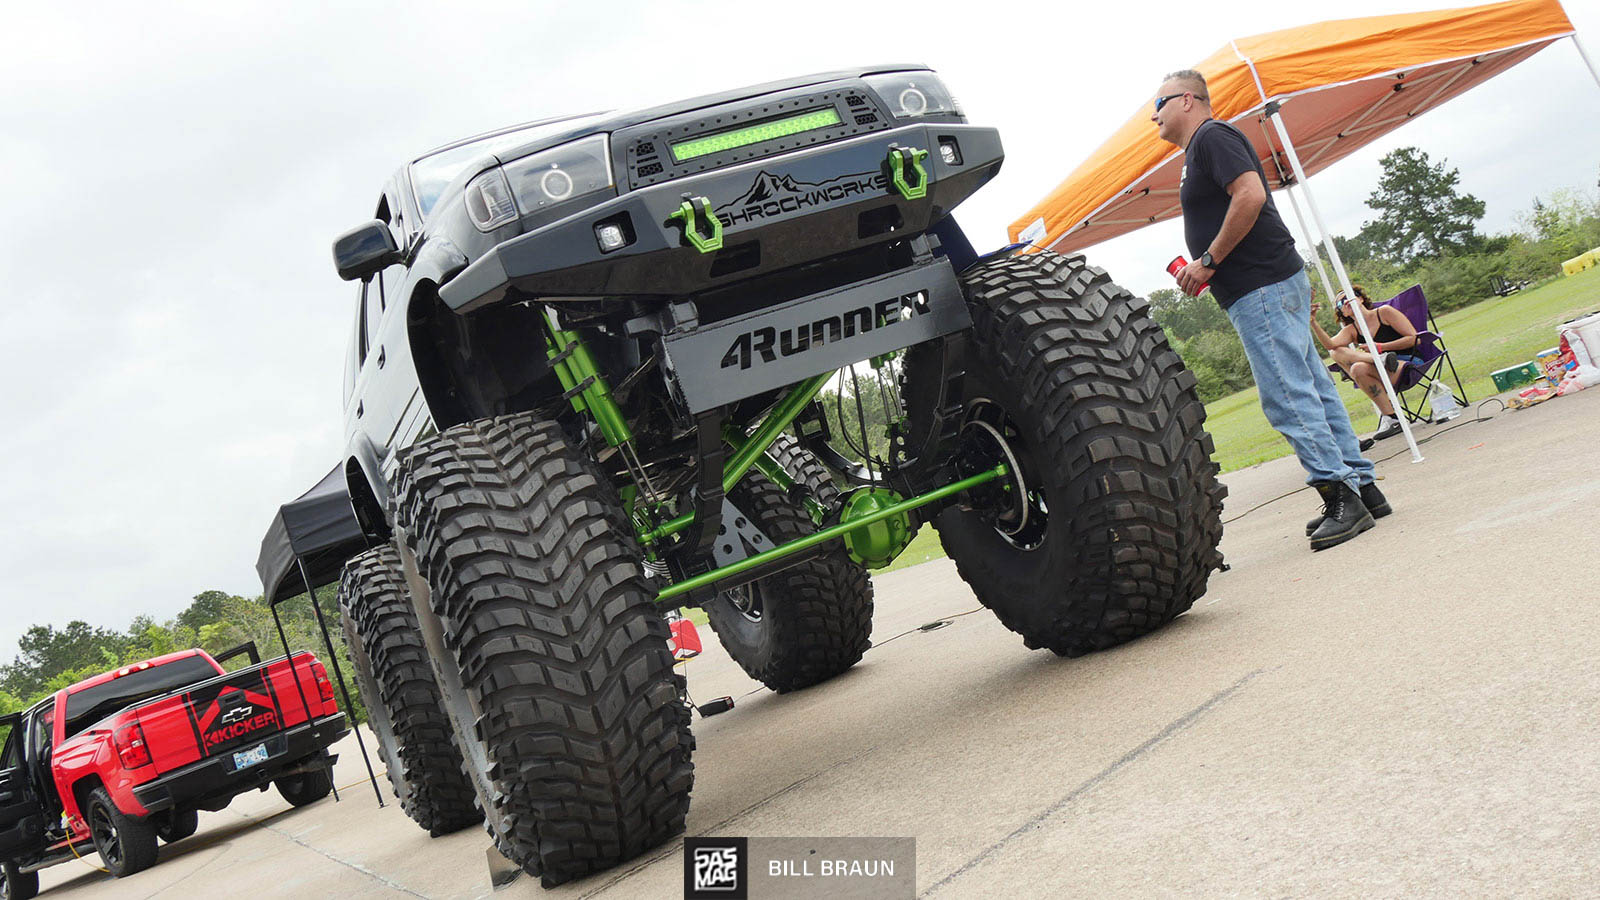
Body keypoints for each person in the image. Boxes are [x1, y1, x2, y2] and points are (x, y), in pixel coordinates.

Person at [1153, 68, 1390, 550]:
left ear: (1186, 101)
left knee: (1287, 395)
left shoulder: (1211, 136)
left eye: (1157, 105)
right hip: (1269, 282)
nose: (1151, 116)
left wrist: (1208, 260)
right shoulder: (1201, 147)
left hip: (1258, 285)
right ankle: (1363, 489)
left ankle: (1340, 495)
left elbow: (1251, 194)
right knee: (1314, 389)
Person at [1310, 284, 1421, 443]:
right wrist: (1313, 321)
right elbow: (1329, 345)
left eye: (1349, 296)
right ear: (1342, 312)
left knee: (1353, 363)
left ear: (1360, 298)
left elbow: (1414, 338)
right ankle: (1392, 418)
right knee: (1341, 356)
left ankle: (1380, 358)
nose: (1346, 302)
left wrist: (1381, 347)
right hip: (1380, 371)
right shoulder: (1352, 330)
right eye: (1341, 304)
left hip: (1407, 364)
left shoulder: (1384, 312)